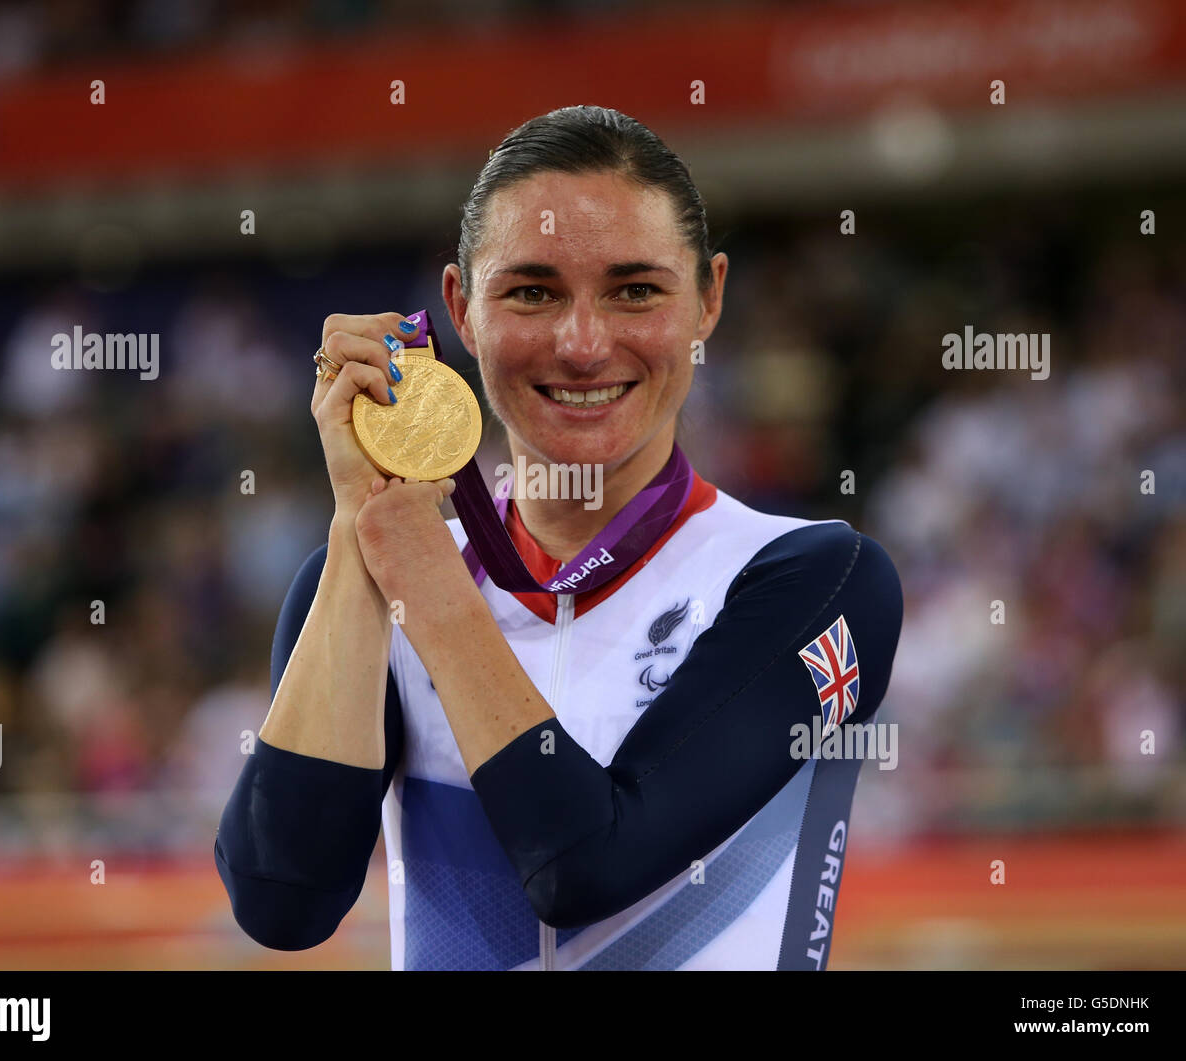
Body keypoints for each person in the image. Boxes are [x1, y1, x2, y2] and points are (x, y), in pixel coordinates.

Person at [214, 105, 903, 970]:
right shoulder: (367, 570)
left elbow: (586, 863)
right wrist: (361, 530)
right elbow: (283, 899)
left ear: (708, 300)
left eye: (636, 290)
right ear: (461, 309)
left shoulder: (818, 578)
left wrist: (428, 583)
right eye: (532, 291)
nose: (582, 343)